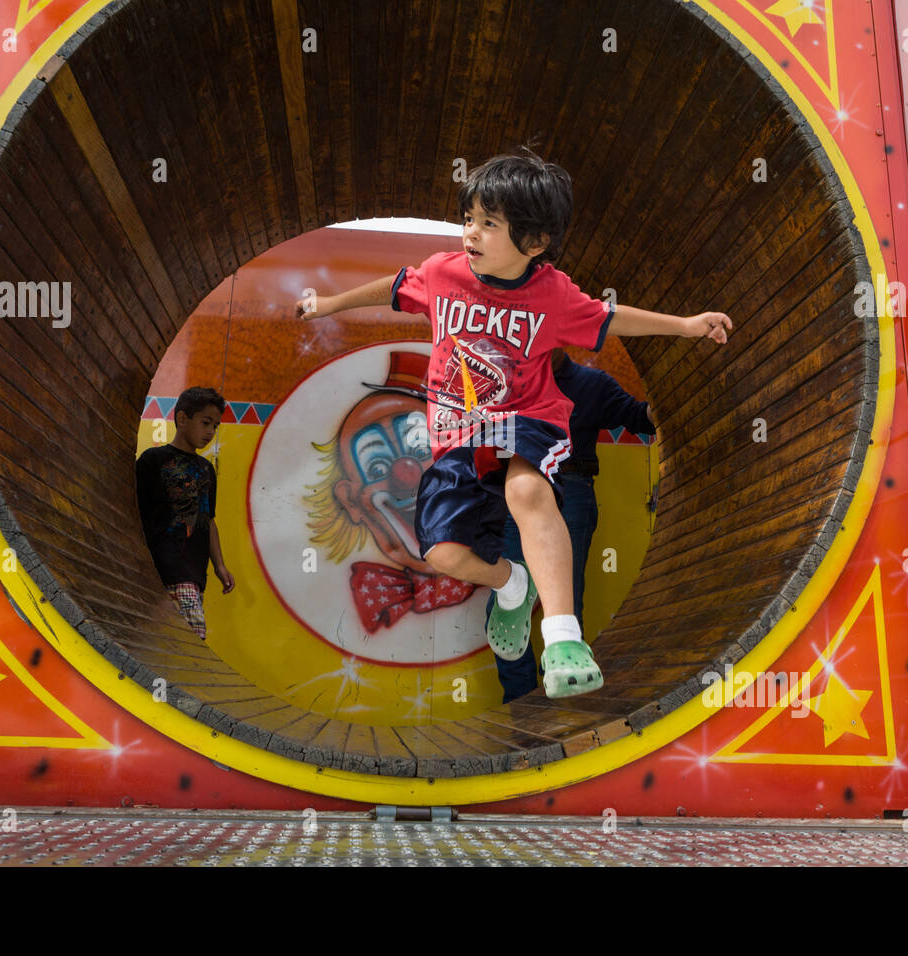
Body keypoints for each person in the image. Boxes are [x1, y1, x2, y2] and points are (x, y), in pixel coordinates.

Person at [295, 149, 730, 698]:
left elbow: (610, 317)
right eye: (469, 219)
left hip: (525, 419)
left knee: (527, 492)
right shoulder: (443, 273)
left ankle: (564, 637)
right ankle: (511, 583)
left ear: (534, 243)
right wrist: (329, 303)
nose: (470, 234)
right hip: (457, 434)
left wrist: (687, 327)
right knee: (442, 554)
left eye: (489, 225)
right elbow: (393, 286)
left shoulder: (551, 295)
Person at [485, 349, 656, 701]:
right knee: (503, 605)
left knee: (564, 605)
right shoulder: (511, 381)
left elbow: (641, 418)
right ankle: (521, 701)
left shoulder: (591, 384)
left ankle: (557, 703)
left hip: (571, 490)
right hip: (518, 492)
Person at [135, 386, 235, 640]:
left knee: (178, 640)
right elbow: (135, 510)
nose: (211, 431)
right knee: (191, 639)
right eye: (205, 423)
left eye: (215, 426)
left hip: (194, 573)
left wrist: (220, 565)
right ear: (182, 418)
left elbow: (208, 520)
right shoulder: (153, 460)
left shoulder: (206, 470)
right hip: (162, 565)